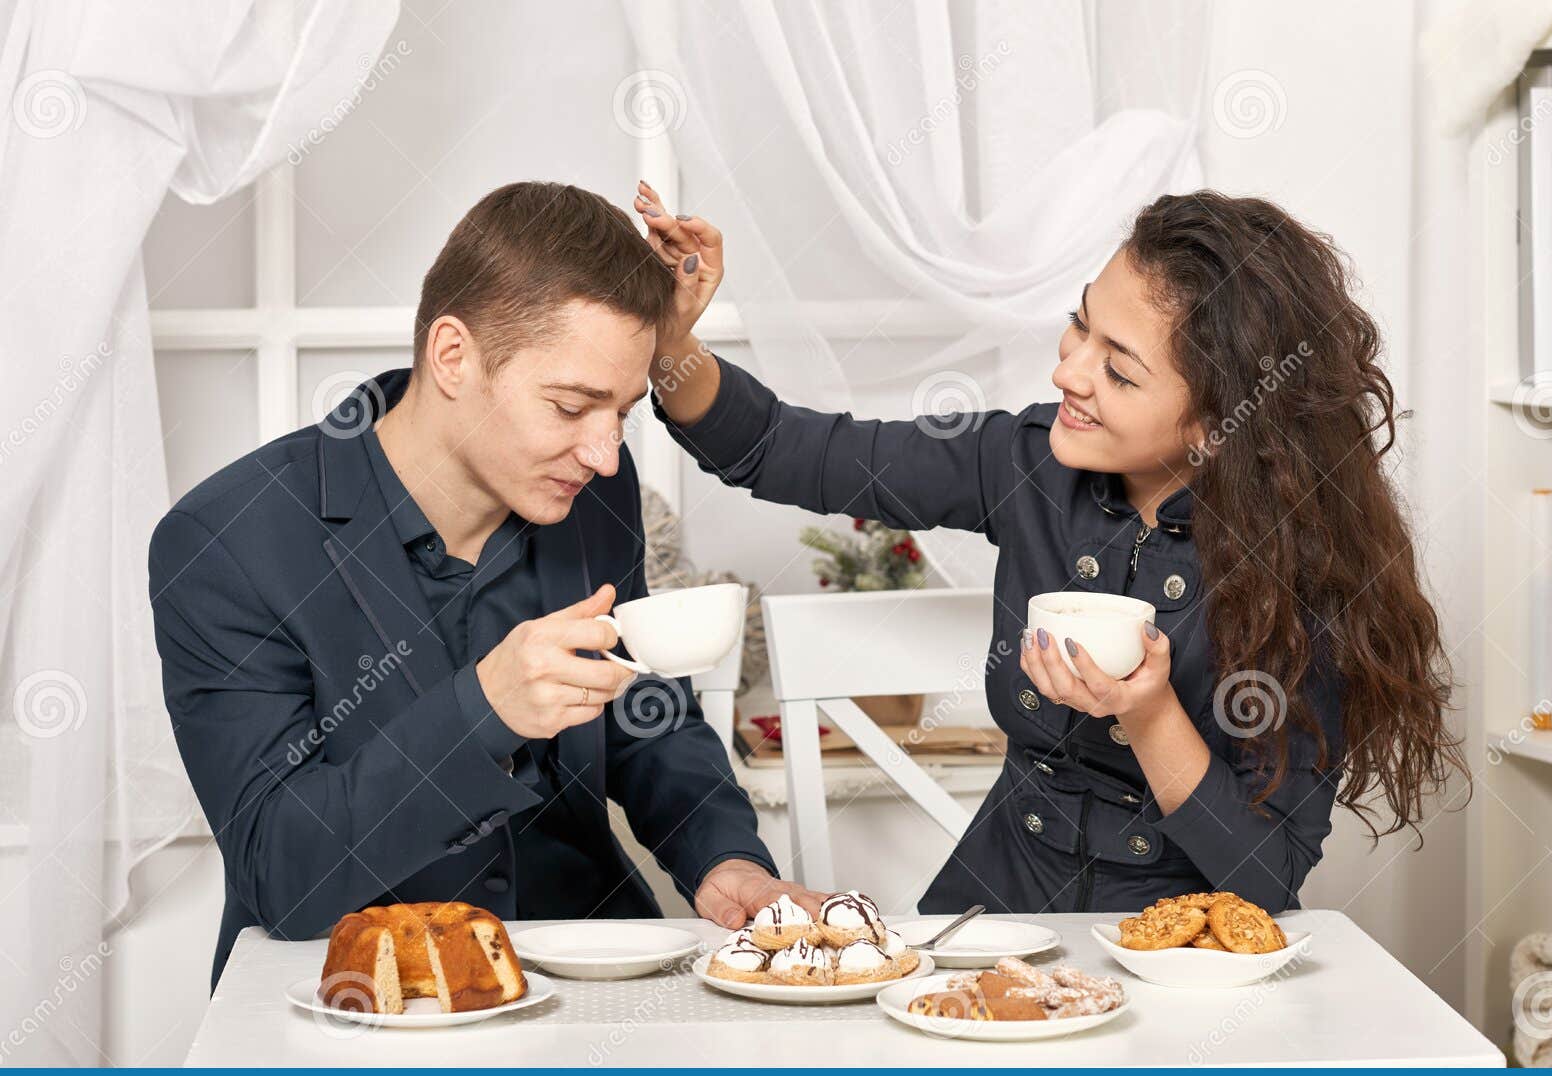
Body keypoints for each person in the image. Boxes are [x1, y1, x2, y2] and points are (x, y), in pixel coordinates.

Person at [634, 179, 1470, 915]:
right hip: (991, 916)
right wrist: (672, 348)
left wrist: (1147, 714)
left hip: (1174, 959)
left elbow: (1266, 878)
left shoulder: (1305, 572)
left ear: (1218, 426)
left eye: (1121, 371)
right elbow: (787, 448)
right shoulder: (1023, 463)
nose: (1070, 372)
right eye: (1081, 327)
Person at [149, 182, 823, 989]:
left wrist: (725, 855)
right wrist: (484, 711)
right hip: (361, 1002)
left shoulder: (593, 491)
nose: (606, 454)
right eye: (572, 406)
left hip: (592, 985)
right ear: (453, 356)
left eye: (622, 412)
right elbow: (278, 876)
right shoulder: (227, 540)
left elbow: (646, 711)